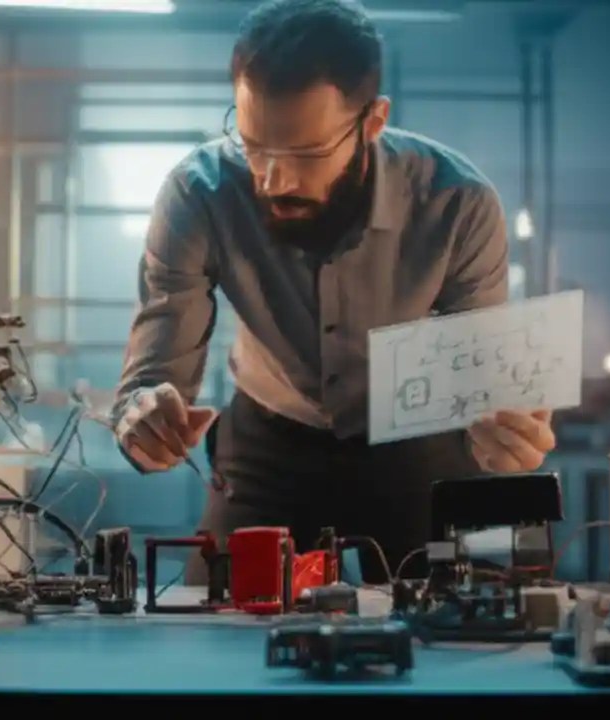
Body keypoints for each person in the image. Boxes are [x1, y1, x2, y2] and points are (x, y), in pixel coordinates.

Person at [110, 0, 556, 584]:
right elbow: (152, 378)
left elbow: (482, 392)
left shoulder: (458, 203)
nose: (272, 178)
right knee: (214, 633)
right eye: (252, 145)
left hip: (415, 442)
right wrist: (144, 421)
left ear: (372, 122)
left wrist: (502, 438)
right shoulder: (199, 194)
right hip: (267, 444)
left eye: (304, 153)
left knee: (458, 630)